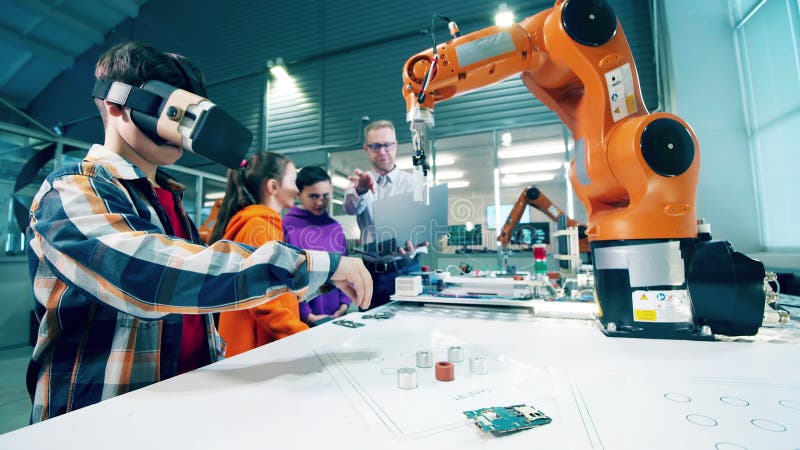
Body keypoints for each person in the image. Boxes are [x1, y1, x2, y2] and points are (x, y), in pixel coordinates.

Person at [25, 41, 371, 423]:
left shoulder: (170, 203)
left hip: (179, 413)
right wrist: (314, 267)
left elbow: (198, 310)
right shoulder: (71, 192)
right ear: (115, 104)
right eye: (172, 109)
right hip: (96, 425)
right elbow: (150, 278)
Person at [210, 152, 309, 356]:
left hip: (252, 346)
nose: (298, 190)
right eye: (293, 181)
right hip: (255, 348)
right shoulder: (259, 228)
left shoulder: (259, 224)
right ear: (273, 186)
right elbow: (264, 302)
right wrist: (304, 337)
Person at [343, 120, 424, 310]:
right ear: (366, 148)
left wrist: (417, 241)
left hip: (406, 269)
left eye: (387, 145)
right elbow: (349, 208)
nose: (382, 151)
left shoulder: (413, 183)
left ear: (395, 145)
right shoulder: (358, 183)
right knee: (370, 331)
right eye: (375, 146)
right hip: (370, 274)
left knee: (411, 328)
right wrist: (362, 190)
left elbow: (421, 227)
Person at [283, 166, 350, 324]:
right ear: (299, 194)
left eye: (326, 196)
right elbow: (287, 278)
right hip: (303, 320)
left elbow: (345, 269)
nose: (321, 202)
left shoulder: (335, 227)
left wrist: (344, 303)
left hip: (337, 315)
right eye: (314, 196)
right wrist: (306, 315)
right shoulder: (287, 226)